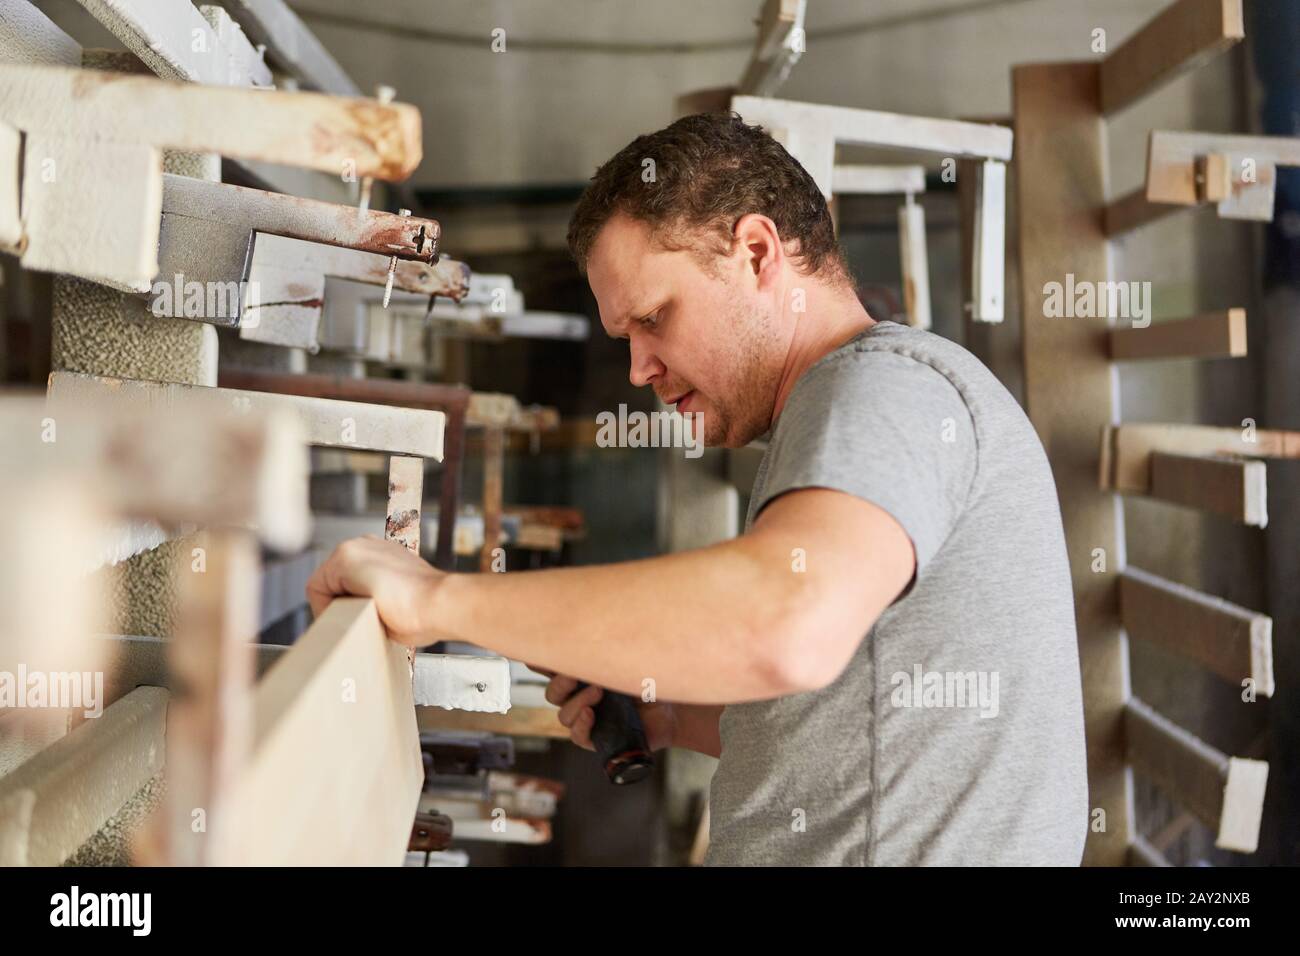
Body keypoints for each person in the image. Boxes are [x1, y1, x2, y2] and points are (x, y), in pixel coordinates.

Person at [306, 112, 1088, 866]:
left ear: (755, 253)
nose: (640, 368)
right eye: (627, 338)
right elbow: (874, 712)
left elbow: (788, 623)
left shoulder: (880, 391)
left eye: (654, 318)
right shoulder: (849, 411)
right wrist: (675, 710)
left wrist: (434, 599)